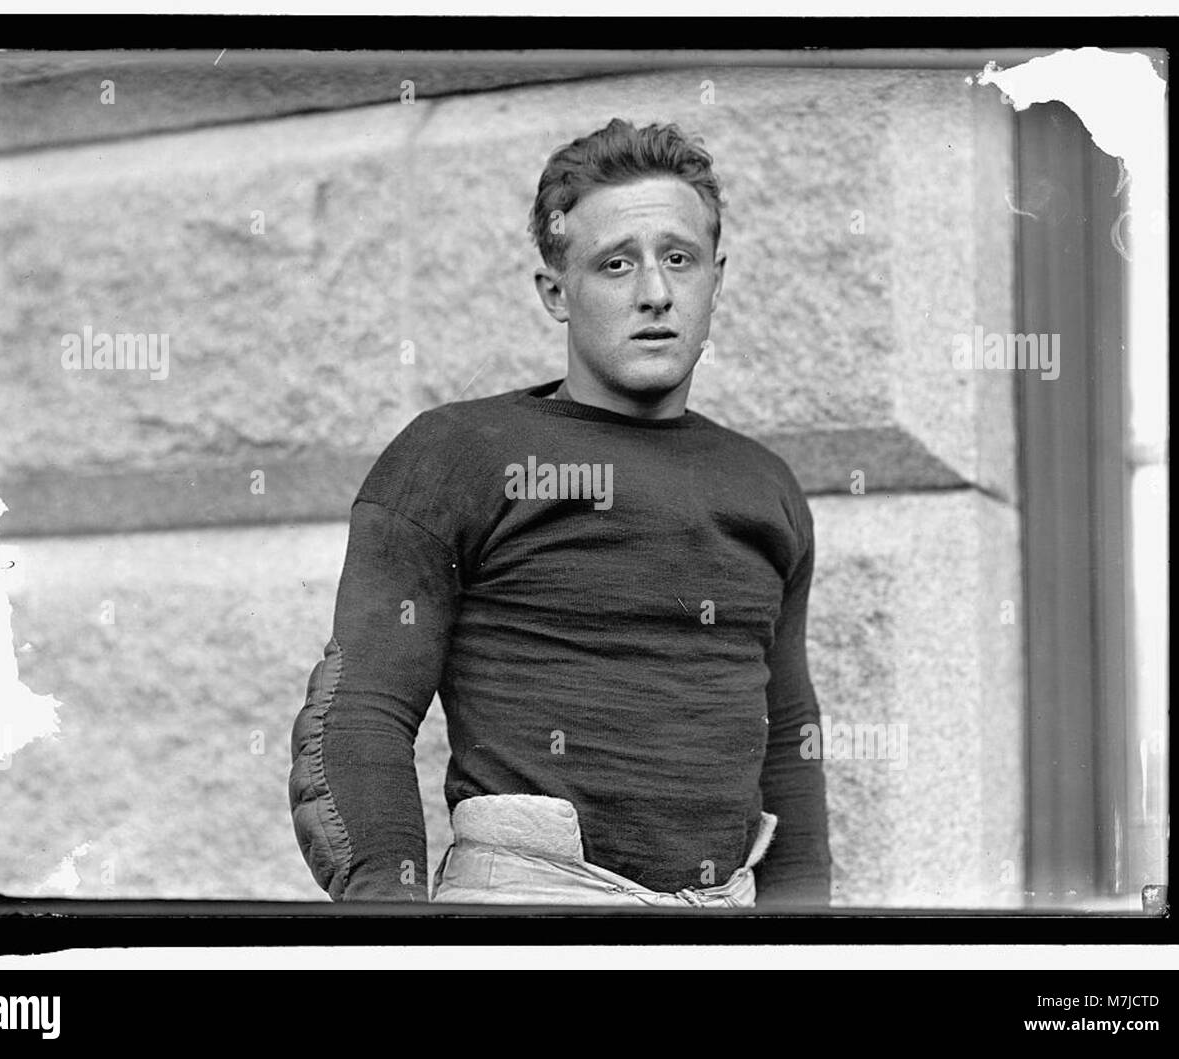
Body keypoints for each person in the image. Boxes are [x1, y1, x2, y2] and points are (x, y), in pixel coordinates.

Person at [289, 117, 831, 907]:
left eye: (678, 258)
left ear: (718, 276)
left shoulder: (765, 485)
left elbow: (789, 739)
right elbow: (358, 715)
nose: (655, 292)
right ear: (556, 292)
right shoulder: (456, 455)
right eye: (616, 264)